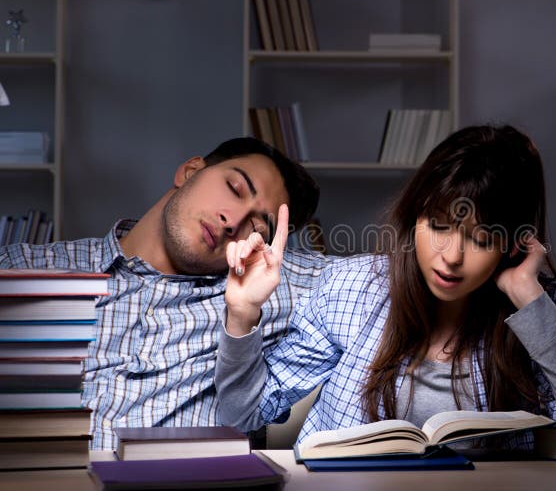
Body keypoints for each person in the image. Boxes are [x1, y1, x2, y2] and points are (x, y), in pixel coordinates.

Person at [215, 125, 556, 449]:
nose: (451, 256)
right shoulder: (353, 287)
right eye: (437, 226)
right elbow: (243, 414)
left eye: (481, 239)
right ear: (414, 216)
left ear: (511, 246)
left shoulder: (547, 308)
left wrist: (528, 296)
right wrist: (242, 314)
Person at [0, 138, 329, 450]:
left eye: (256, 228)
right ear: (190, 171)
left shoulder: (267, 286)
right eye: (234, 188)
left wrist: (244, 313)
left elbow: (361, 278)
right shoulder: (24, 268)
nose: (233, 221)